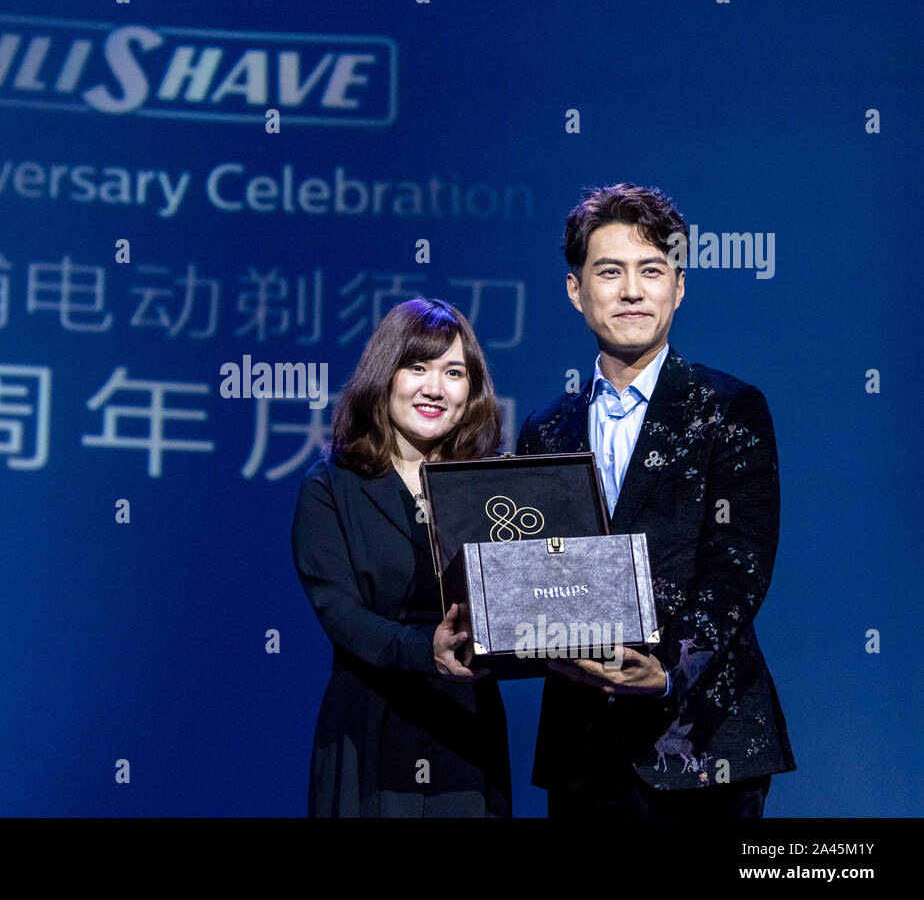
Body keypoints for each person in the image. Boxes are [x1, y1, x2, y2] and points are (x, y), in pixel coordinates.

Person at [517, 183, 796, 817]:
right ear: (576, 290)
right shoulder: (546, 427)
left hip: (705, 740)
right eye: (609, 271)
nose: (632, 290)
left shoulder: (729, 408)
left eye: (652, 270)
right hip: (585, 746)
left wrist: (667, 667)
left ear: (679, 285)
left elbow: (740, 565)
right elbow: (536, 574)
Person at [291, 297, 512, 817]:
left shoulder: (496, 486)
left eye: (453, 372)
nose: (434, 387)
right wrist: (421, 649)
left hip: (465, 726)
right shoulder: (330, 486)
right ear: (384, 376)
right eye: (417, 367)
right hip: (371, 725)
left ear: (471, 390)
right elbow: (339, 613)